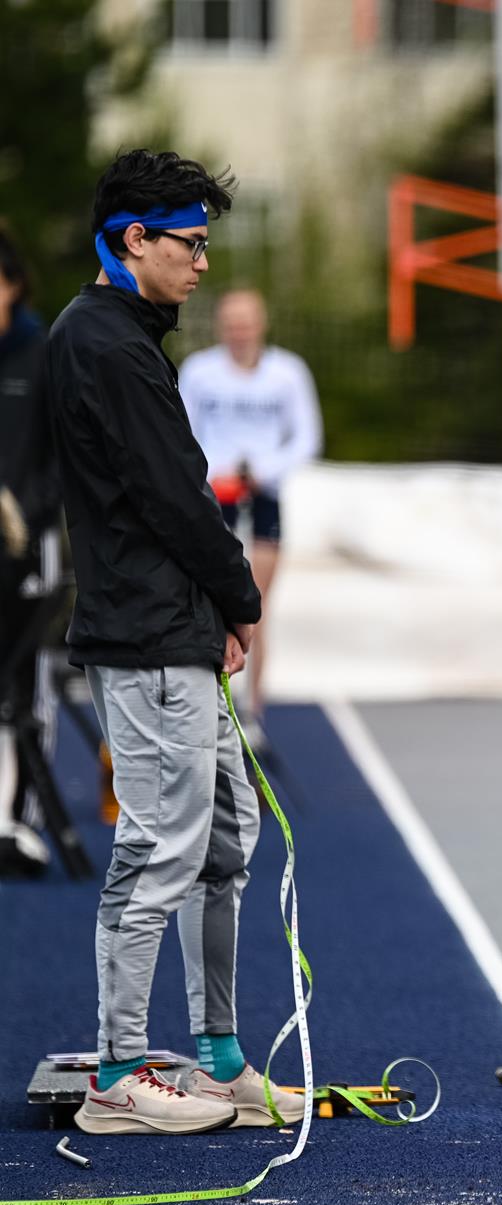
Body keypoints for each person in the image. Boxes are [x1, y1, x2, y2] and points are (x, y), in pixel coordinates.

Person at [45, 149, 307, 1133]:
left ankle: (218, 1060)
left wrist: (213, 613)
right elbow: (173, 501)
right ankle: (116, 1078)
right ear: (132, 241)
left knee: (222, 845)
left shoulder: (122, 339)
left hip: (173, 629)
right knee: (157, 848)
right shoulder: (107, 346)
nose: (202, 264)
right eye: (188, 246)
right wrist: (240, 598)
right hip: (147, 637)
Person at [178, 287, 323, 731]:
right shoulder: (200, 372)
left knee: (257, 605)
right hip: (214, 495)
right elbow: (182, 432)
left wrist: (262, 470)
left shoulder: (288, 373)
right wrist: (216, 472)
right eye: (231, 324)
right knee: (213, 602)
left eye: (247, 323)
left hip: (264, 493)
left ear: (261, 324)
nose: (240, 333)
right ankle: (209, 707)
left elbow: (306, 438)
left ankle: (253, 712)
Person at [0, 221, 59, 876]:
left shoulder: (41, 352)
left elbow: (63, 457)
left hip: (26, 547)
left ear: (13, 285)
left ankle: (21, 820)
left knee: (24, 682)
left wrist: (26, 513)